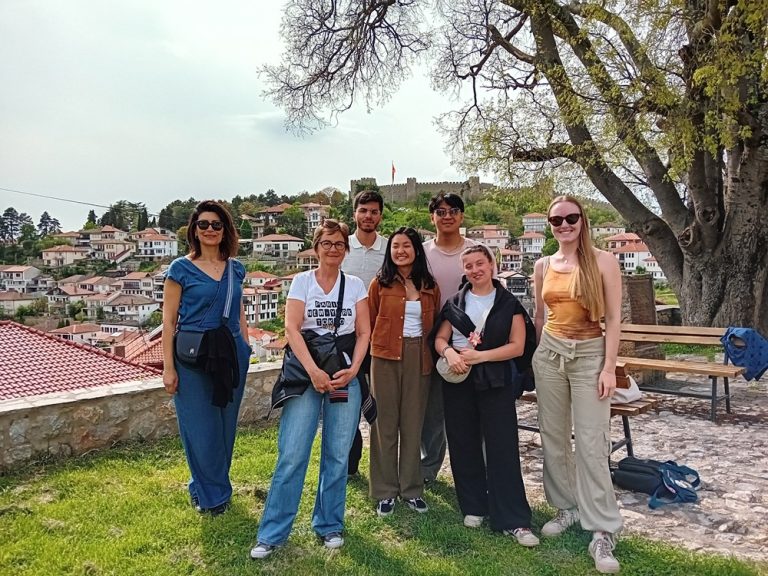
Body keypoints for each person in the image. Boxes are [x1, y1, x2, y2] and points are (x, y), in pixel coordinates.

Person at [251, 219, 371, 559]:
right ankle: (272, 533)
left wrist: (354, 370)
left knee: (336, 454)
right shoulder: (303, 282)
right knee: (292, 454)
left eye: (338, 244)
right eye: (326, 243)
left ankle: (329, 524)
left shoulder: (356, 285)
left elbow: (364, 332)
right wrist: (313, 371)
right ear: (316, 248)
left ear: (346, 250)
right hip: (306, 375)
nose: (333, 249)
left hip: (343, 373)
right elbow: (292, 329)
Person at [532, 195, 623, 574]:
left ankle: (603, 528)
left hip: (589, 355)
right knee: (552, 436)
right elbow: (540, 315)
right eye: (557, 220)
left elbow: (615, 320)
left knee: (590, 442)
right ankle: (566, 507)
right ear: (551, 226)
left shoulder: (603, 261)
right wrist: (536, 356)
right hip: (550, 354)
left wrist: (608, 368)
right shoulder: (543, 265)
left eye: (571, 218)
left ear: (582, 220)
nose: (564, 225)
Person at [432, 245, 538, 546]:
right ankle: (473, 505)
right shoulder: (456, 301)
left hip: (496, 380)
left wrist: (482, 356)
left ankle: (513, 518)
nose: (475, 269)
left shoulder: (509, 304)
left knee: (502, 447)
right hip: (459, 380)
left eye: (480, 263)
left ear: (493, 265)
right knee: (463, 443)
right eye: (469, 265)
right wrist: (449, 351)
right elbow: (440, 337)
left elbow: (518, 346)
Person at [162, 200, 251, 516]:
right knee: (200, 429)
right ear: (194, 230)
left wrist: (247, 345)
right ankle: (213, 496)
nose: (210, 230)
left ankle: (207, 486)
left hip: (231, 356)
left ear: (225, 230)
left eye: (217, 224)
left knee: (226, 426)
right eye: (204, 225)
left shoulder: (236, 268)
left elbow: (240, 312)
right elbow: (169, 321)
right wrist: (168, 369)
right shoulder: (180, 269)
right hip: (193, 358)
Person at [368, 227, 440, 516]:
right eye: (395, 246)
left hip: (419, 357)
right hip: (384, 356)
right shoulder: (380, 284)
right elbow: (370, 322)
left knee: (413, 423)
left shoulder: (429, 285)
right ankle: (385, 491)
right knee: (384, 424)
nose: (400, 251)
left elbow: (434, 324)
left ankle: (411, 489)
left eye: (406, 246)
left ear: (416, 250)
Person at [421, 192, 480, 485]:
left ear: (462, 215)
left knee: (471, 412)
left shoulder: (475, 250)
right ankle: (428, 470)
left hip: (469, 340)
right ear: (432, 217)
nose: (447, 216)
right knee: (432, 413)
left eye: (453, 210)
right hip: (430, 338)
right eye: (440, 211)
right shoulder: (422, 252)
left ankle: (474, 475)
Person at [341, 189, 388, 476]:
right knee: (348, 401)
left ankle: (384, 466)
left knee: (382, 401)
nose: (368, 216)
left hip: (381, 336)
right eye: (363, 210)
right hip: (346, 335)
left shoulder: (390, 248)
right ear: (355, 213)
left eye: (374, 211)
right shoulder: (341, 247)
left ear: (380, 215)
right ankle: (349, 465)